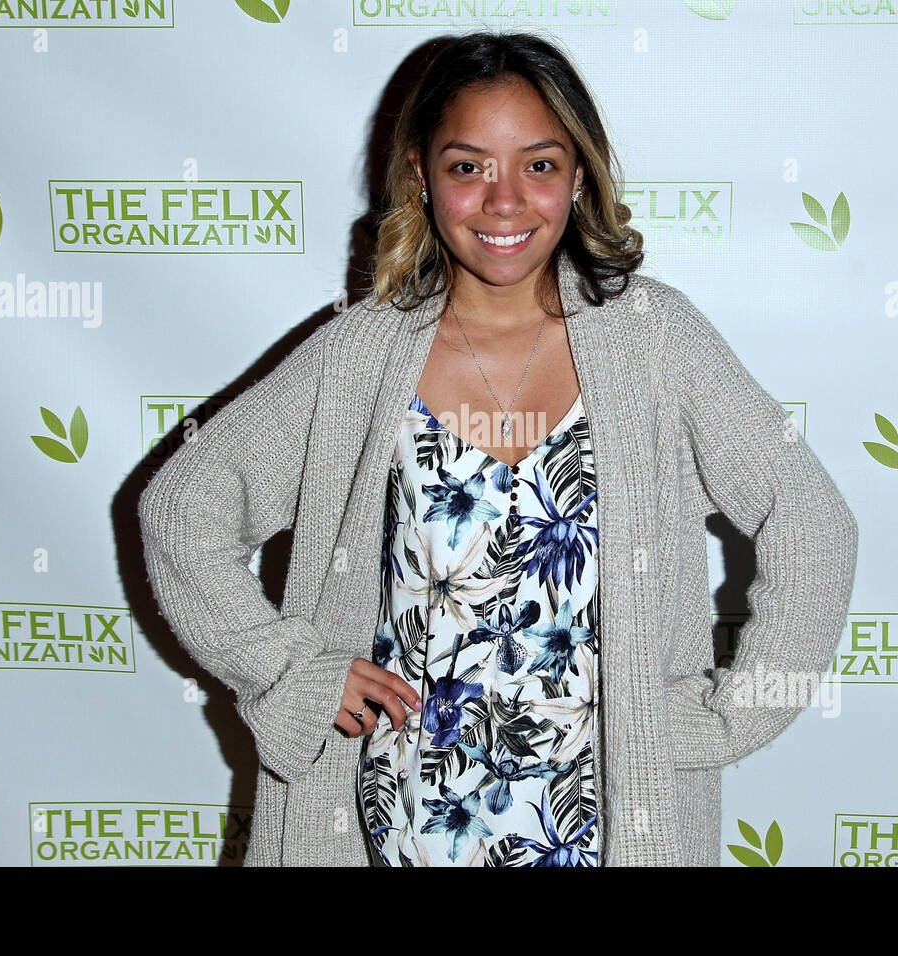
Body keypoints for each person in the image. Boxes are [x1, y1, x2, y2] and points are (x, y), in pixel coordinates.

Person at [138, 30, 858, 867]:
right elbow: (183, 512)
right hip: (402, 825)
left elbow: (811, 521)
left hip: (611, 829)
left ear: (580, 174)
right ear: (421, 175)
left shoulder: (654, 339)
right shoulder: (363, 352)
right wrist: (287, 669)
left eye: (539, 164)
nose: (504, 201)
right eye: (469, 166)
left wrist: (734, 716)